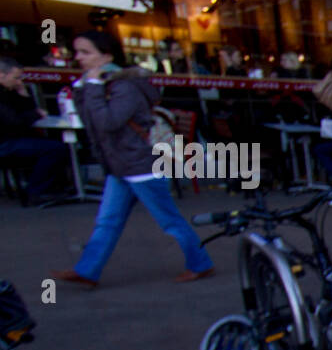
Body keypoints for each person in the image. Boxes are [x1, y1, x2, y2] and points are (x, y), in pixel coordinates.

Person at [51, 30, 214, 287]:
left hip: (139, 165)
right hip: (123, 165)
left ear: (106, 56)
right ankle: (87, 270)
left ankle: (200, 263)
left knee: (168, 221)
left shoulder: (124, 86)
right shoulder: (104, 84)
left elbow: (106, 123)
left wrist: (90, 88)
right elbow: (90, 121)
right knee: (108, 221)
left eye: (86, 52)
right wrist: (84, 89)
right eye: (77, 52)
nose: (79, 58)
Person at [0, 56, 70, 205]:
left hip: (10, 139)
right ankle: (36, 191)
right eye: (16, 78)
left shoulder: (7, 91)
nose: (19, 82)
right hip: (5, 143)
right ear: (1, 75)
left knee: (49, 145)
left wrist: (23, 93)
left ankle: (49, 187)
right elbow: (15, 122)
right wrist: (35, 114)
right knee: (54, 149)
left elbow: (23, 111)